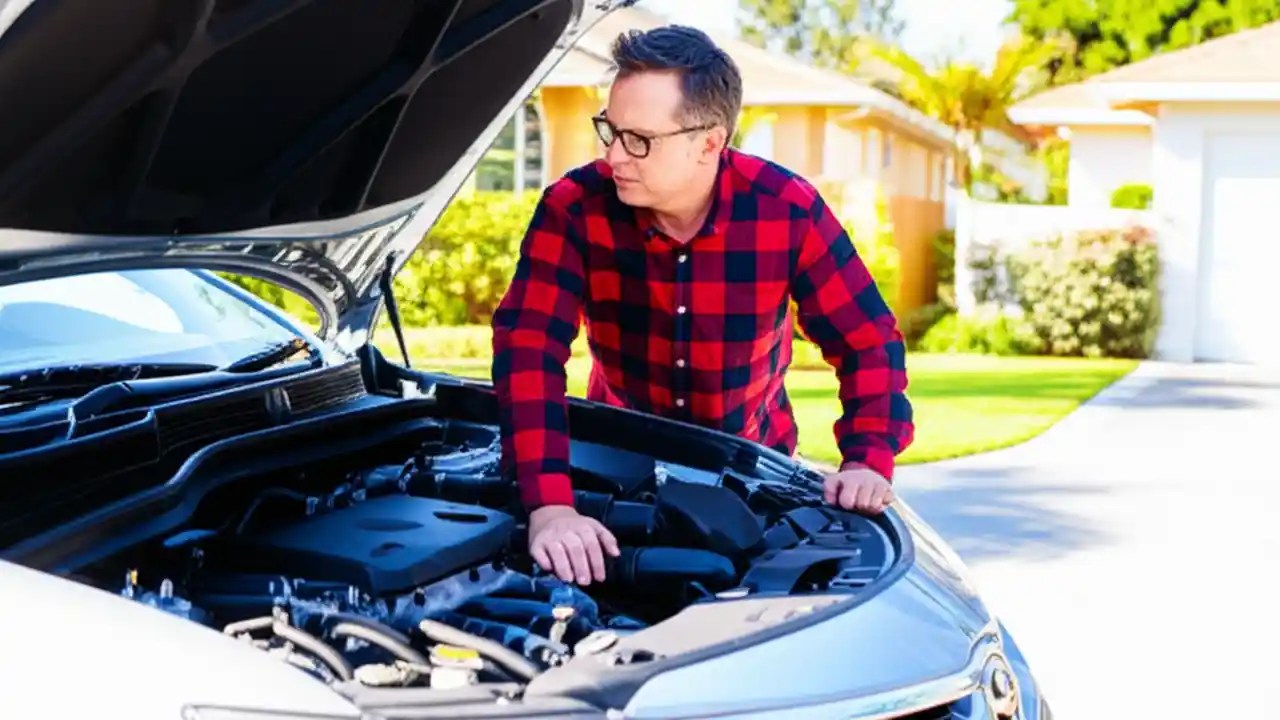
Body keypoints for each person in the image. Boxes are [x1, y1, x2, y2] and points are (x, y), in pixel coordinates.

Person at [490, 25, 914, 586]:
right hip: (616, 465)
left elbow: (867, 341)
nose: (615, 154)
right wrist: (550, 505)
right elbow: (528, 350)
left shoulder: (787, 211)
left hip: (751, 474)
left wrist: (866, 458)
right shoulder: (574, 208)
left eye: (639, 139)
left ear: (709, 143)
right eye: (610, 131)